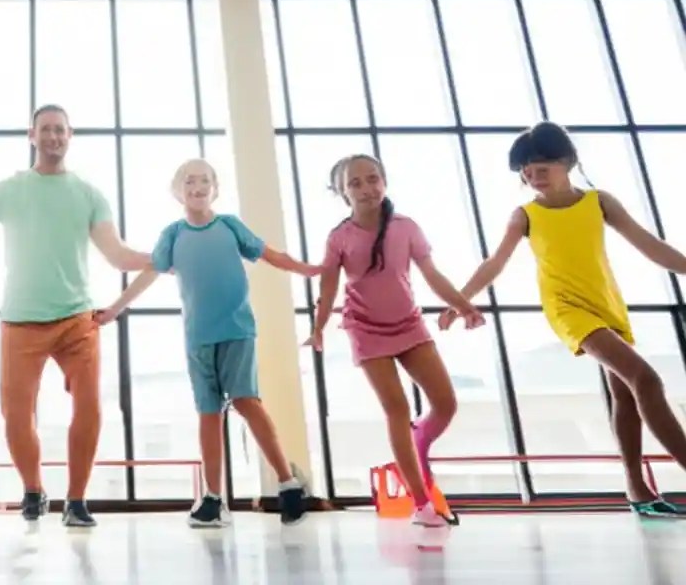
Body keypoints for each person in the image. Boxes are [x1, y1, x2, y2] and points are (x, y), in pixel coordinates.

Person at [449, 122, 686, 518]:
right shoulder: (524, 215)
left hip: (609, 305)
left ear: (568, 162)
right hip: (567, 309)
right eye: (526, 170)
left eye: (541, 167)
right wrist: (461, 300)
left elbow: (649, 245)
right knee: (647, 379)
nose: (532, 176)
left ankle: (637, 490)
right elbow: (495, 263)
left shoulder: (599, 201)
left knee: (626, 394)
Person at [0, 104, 150, 527]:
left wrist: (166, 257)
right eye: (46, 130)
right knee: (16, 416)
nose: (54, 136)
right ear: (31, 135)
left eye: (61, 130)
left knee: (90, 408)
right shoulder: (8, 190)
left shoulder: (89, 195)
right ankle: (33, 489)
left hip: (77, 319)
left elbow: (118, 255)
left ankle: (76, 501)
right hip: (21, 321)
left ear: (70, 136)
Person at [97, 158, 318, 527]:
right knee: (208, 413)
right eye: (189, 181)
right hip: (198, 337)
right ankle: (214, 499)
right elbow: (150, 271)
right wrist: (114, 309)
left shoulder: (230, 225)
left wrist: (307, 269)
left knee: (248, 402)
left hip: (236, 329)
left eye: (204, 181)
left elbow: (269, 254)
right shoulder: (173, 233)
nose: (197, 187)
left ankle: (288, 484)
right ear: (177, 190)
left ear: (215, 188)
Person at [307, 154, 482, 528]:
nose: (367, 188)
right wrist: (319, 327)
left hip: (408, 324)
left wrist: (464, 306)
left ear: (384, 182)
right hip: (365, 328)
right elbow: (327, 287)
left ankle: (420, 443)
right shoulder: (340, 237)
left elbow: (431, 274)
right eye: (355, 183)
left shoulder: (406, 227)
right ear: (342, 192)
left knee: (446, 403)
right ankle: (421, 503)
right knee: (397, 410)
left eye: (373, 179)